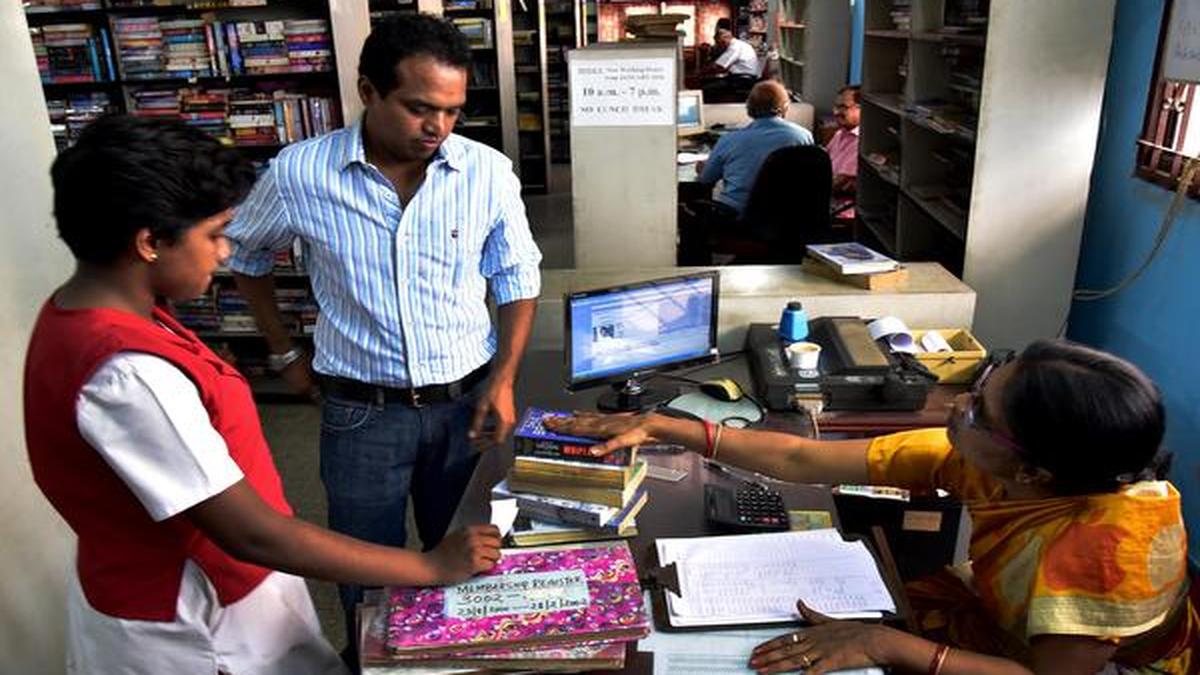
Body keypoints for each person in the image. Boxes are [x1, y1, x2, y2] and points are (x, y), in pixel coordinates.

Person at [24, 114, 503, 675]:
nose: (225, 252)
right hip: (197, 623)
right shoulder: (127, 372)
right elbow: (252, 532)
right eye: (214, 233)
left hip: (200, 592)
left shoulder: (86, 313)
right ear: (150, 242)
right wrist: (429, 567)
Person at [546, 339, 1198, 674]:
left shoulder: (1104, 553)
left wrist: (889, 643)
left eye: (977, 410)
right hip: (1001, 625)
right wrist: (664, 427)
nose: (953, 409)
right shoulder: (983, 455)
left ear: (1032, 467)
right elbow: (802, 460)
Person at [223, 13, 542, 657]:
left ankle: (456, 662)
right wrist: (285, 352)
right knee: (363, 570)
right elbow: (246, 258)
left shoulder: (486, 171)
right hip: (360, 414)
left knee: (470, 559)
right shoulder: (298, 173)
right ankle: (374, 665)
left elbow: (517, 276)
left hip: (467, 405)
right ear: (368, 90)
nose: (438, 128)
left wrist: (505, 380)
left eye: (452, 110)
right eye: (420, 107)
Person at [698, 79, 815, 218]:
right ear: (785, 107)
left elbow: (705, 180)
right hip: (789, 220)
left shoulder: (729, 140)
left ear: (749, 108)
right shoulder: (804, 137)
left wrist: (703, 169)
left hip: (739, 220)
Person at [701, 23, 761, 101]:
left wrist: (702, 72)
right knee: (713, 83)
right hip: (745, 78)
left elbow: (719, 66)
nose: (719, 46)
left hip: (744, 80)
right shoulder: (740, 44)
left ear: (725, 39)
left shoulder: (734, 47)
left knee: (706, 89)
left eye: (719, 43)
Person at [826, 85, 860, 219]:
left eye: (843, 107)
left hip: (842, 215)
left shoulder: (865, 143)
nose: (835, 112)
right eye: (836, 107)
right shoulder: (840, 134)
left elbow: (839, 184)